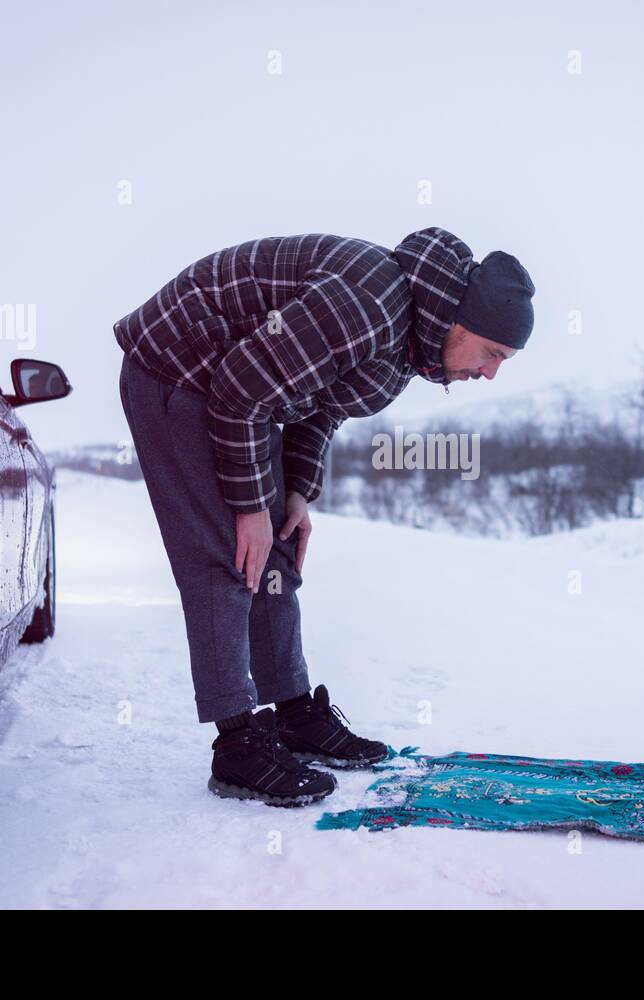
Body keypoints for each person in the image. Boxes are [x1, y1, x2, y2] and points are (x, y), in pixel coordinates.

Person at [114, 227, 535, 806]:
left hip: (241, 396)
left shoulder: (412, 342)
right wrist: (246, 508)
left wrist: (295, 495)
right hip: (180, 369)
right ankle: (237, 746)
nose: (490, 374)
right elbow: (241, 387)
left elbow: (320, 403)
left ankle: (292, 714)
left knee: (278, 547)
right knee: (227, 555)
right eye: (492, 354)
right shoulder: (369, 305)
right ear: (460, 325)